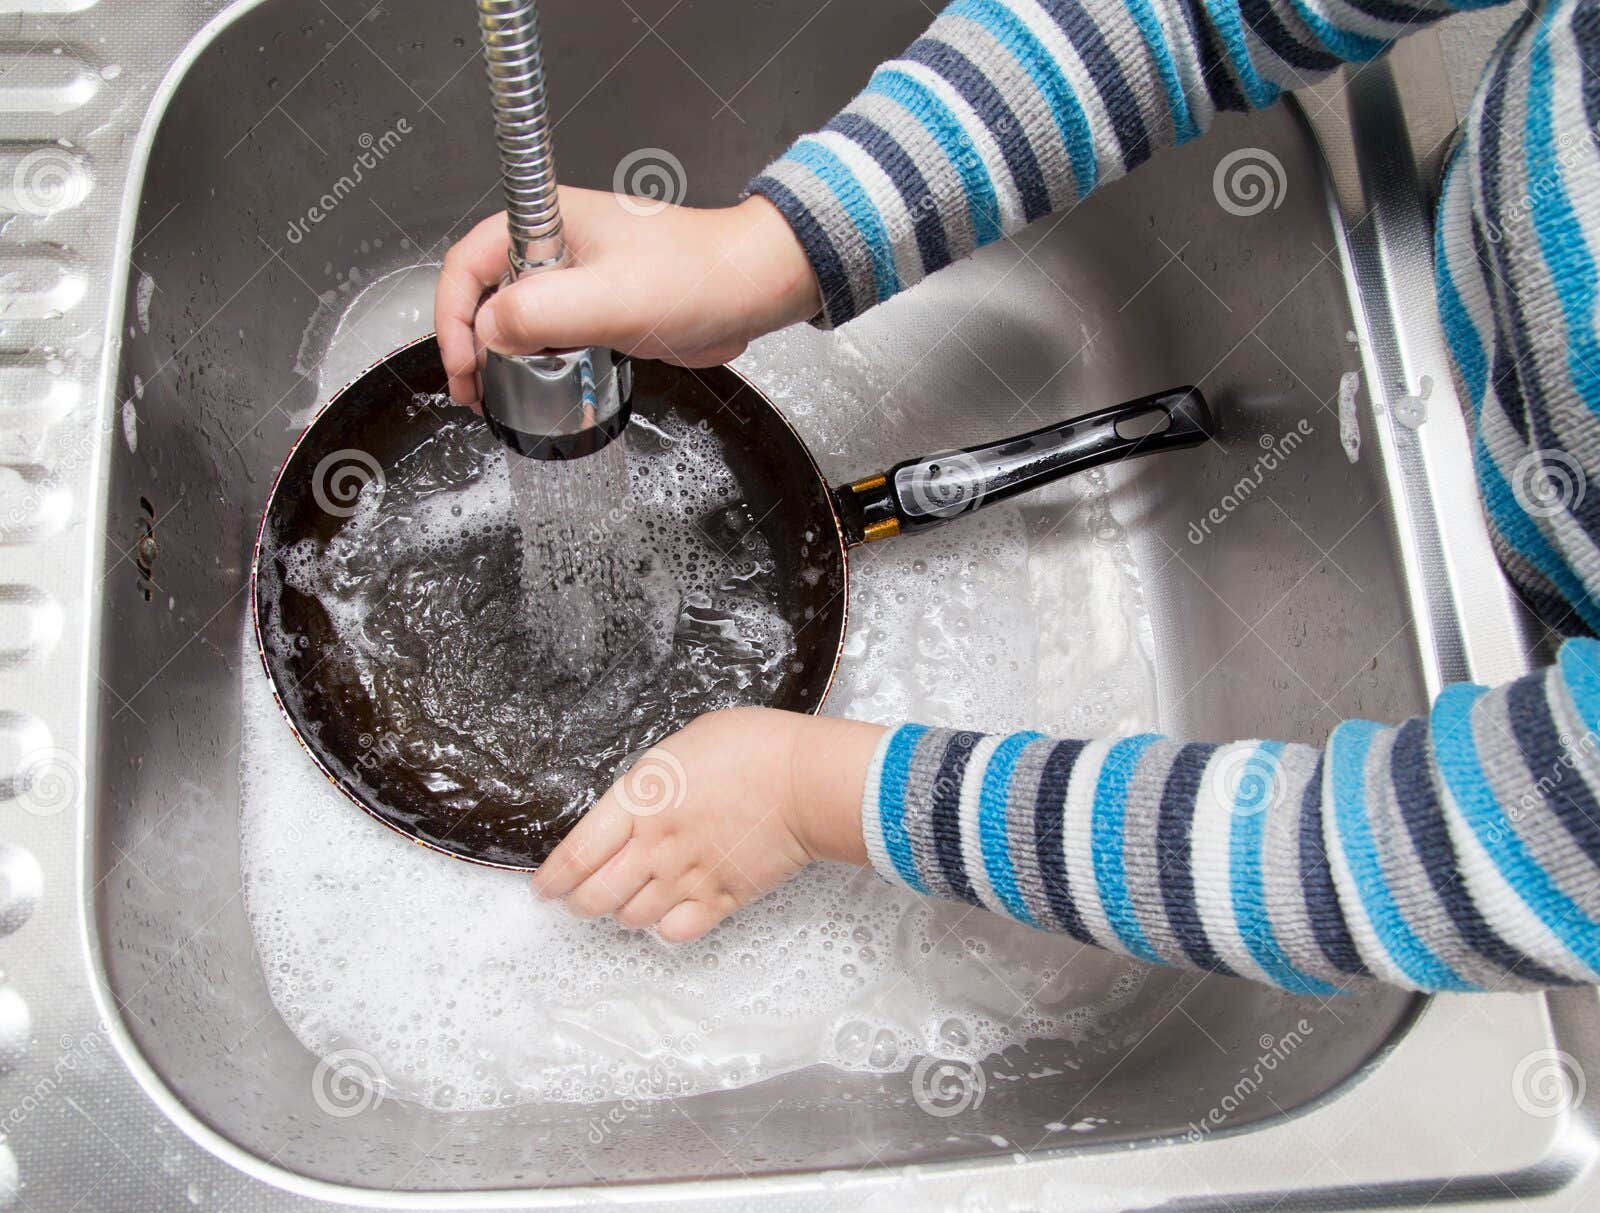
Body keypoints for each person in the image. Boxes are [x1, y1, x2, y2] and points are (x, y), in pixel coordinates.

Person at [434, 0, 1600, 990]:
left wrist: (812, 794)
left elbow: (1421, 858)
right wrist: (765, 251)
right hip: (1459, 271)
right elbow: (1200, 14)